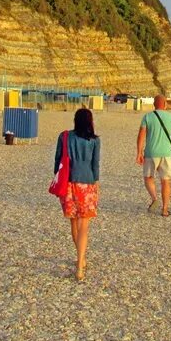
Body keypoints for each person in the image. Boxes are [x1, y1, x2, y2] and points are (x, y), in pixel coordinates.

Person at [54, 108, 101, 281]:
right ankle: (80, 264)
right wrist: (96, 183)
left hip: (68, 183)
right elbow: (95, 164)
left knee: (74, 223)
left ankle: (80, 260)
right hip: (86, 183)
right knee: (84, 226)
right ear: (90, 121)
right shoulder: (94, 141)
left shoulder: (65, 136)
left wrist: (58, 181)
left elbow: (58, 160)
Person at [136, 94, 171, 217]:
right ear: (165, 104)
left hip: (150, 153)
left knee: (148, 177)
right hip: (166, 153)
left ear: (154, 104)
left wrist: (139, 153)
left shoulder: (147, 117)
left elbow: (141, 136)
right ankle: (165, 209)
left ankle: (154, 198)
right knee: (166, 181)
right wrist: (170, 136)